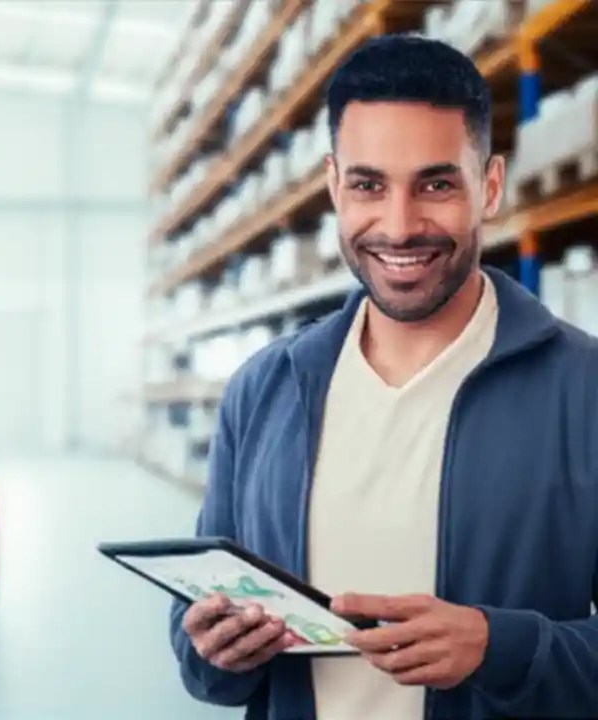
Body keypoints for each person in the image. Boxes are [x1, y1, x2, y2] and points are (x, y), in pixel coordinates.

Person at [169, 35, 598, 719]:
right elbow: (203, 651)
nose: (399, 227)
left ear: (488, 186)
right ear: (336, 185)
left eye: (435, 184)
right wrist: (210, 649)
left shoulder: (583, 391)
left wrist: (502, 647)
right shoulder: (264, 390)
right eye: (369, 186)